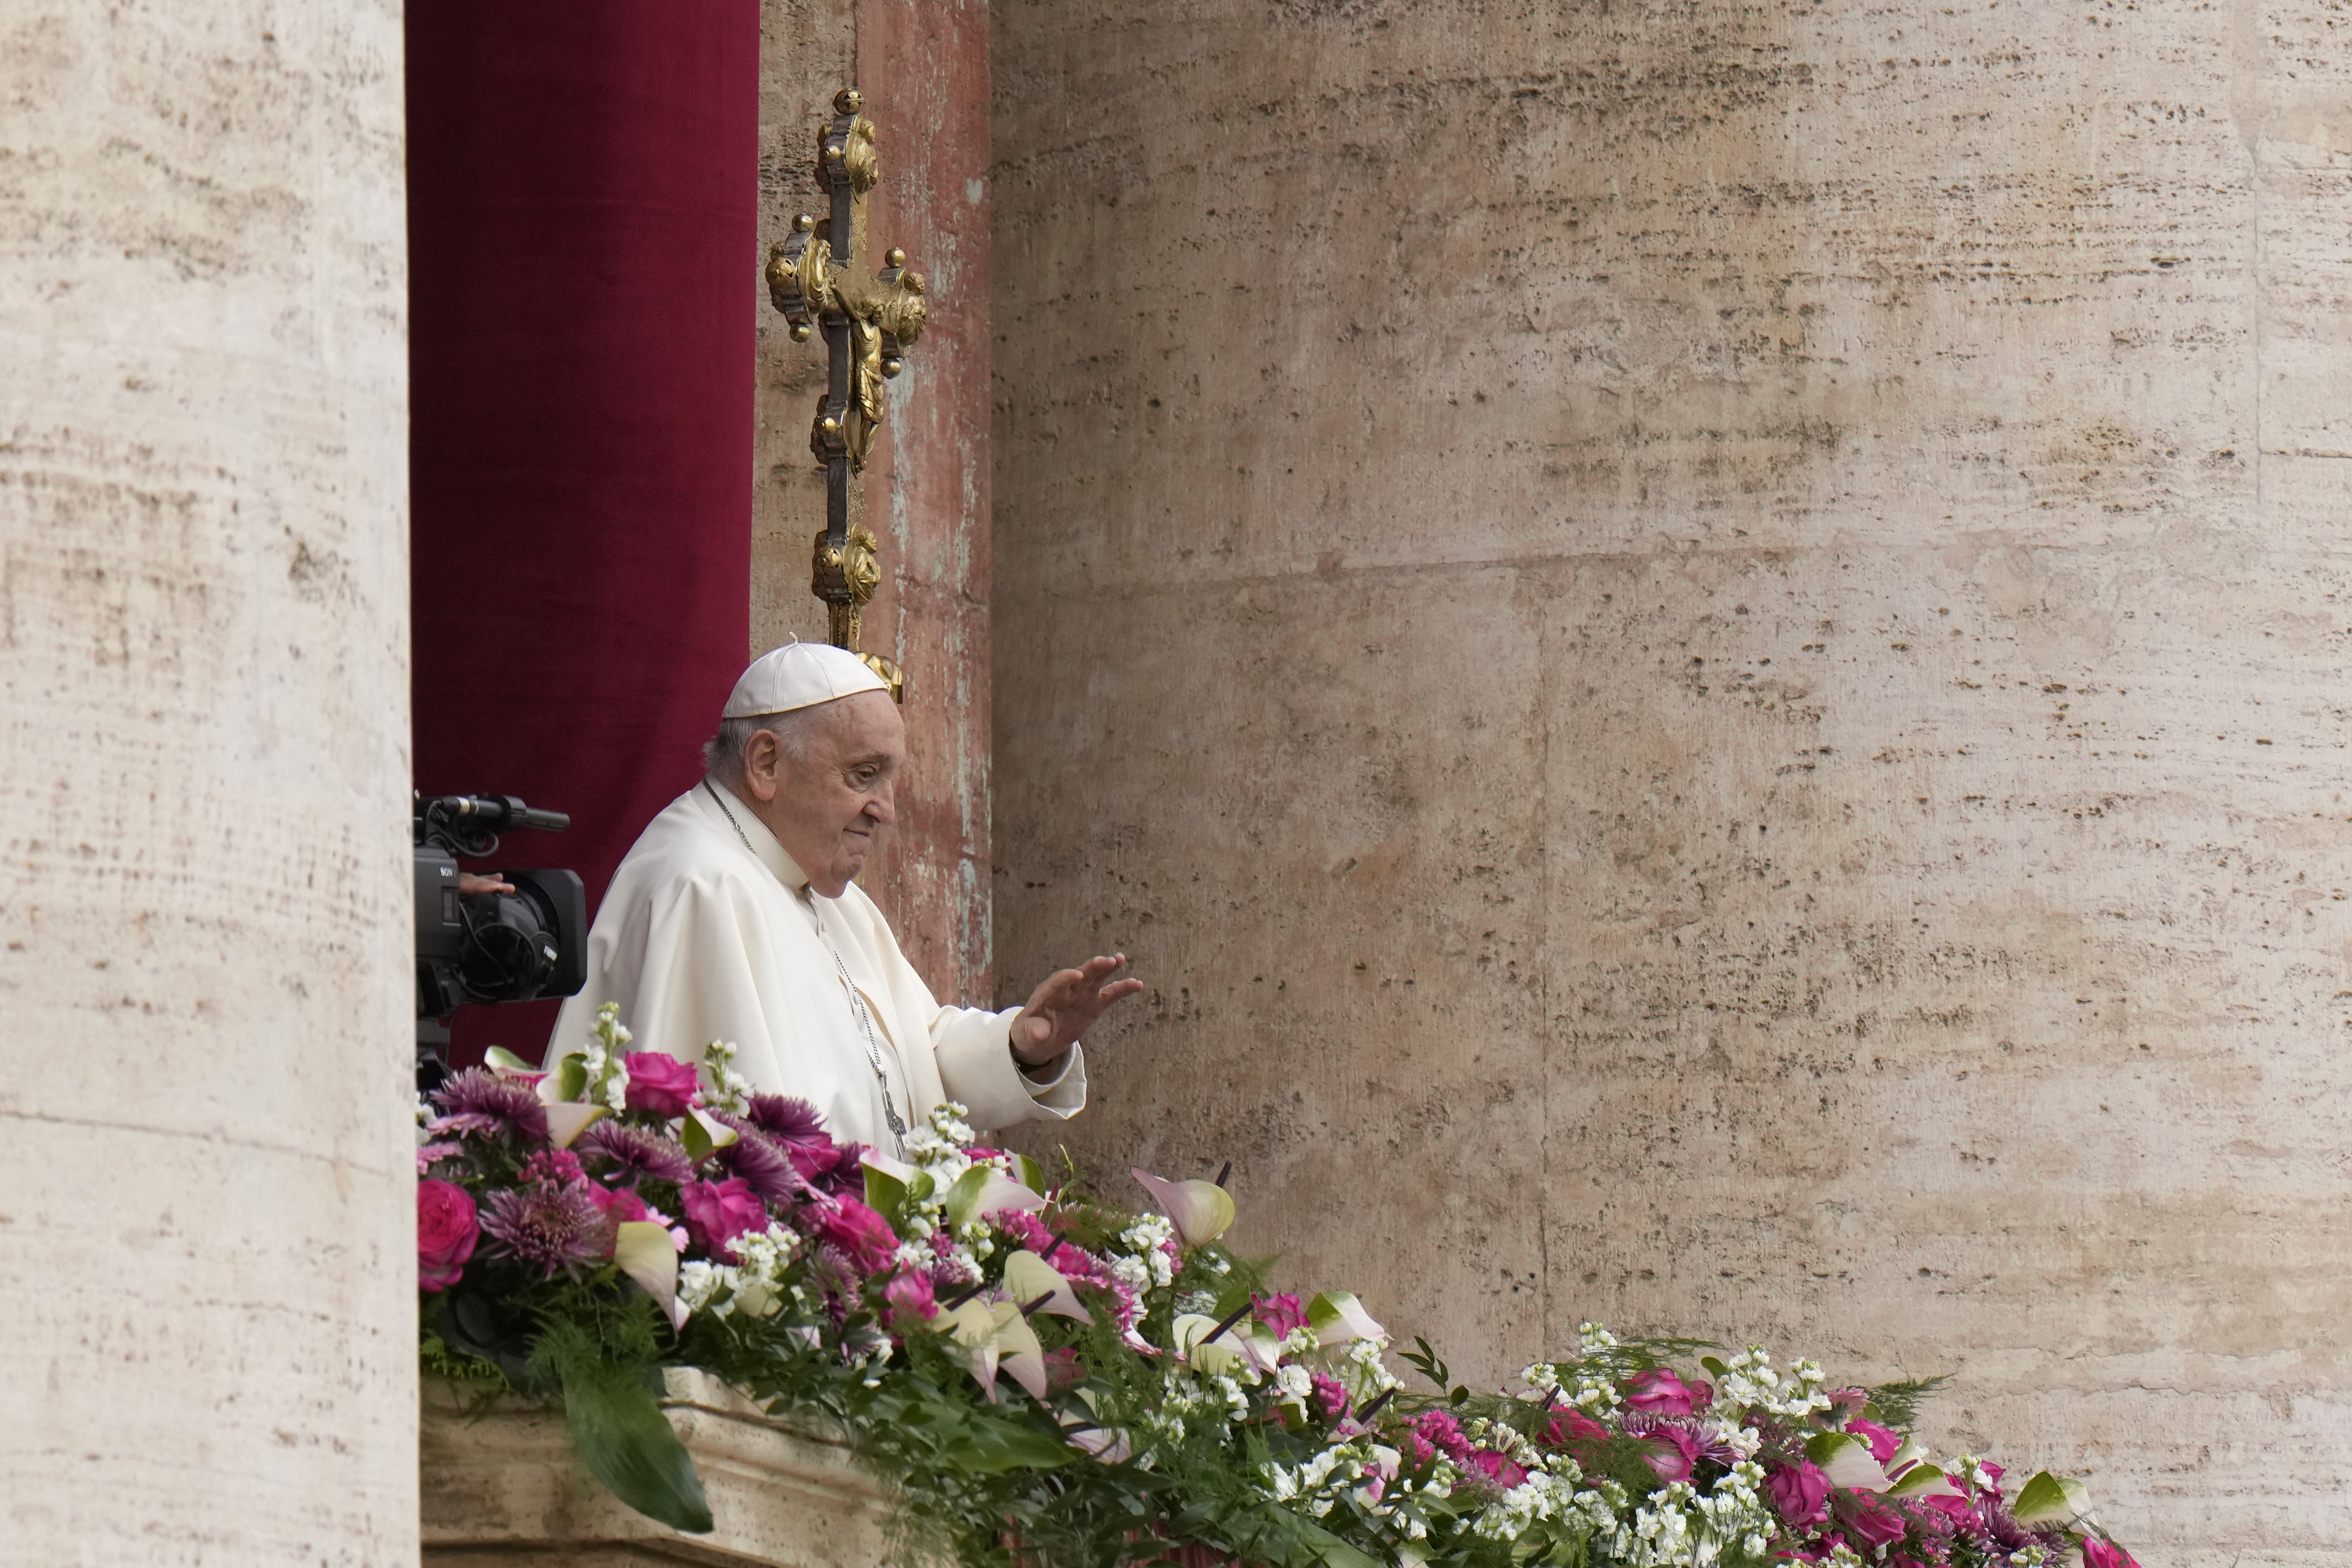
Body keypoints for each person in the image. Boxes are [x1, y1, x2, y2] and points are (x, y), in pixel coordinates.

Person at [545, 642, 1142, 1152]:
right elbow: (727, 1152)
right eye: (864, 774)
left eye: (891, 779)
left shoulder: (825, 888)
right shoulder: (699, 885)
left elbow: (916, 1053)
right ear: (766, 762)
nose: (886, 809)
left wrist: (1023, 1043)